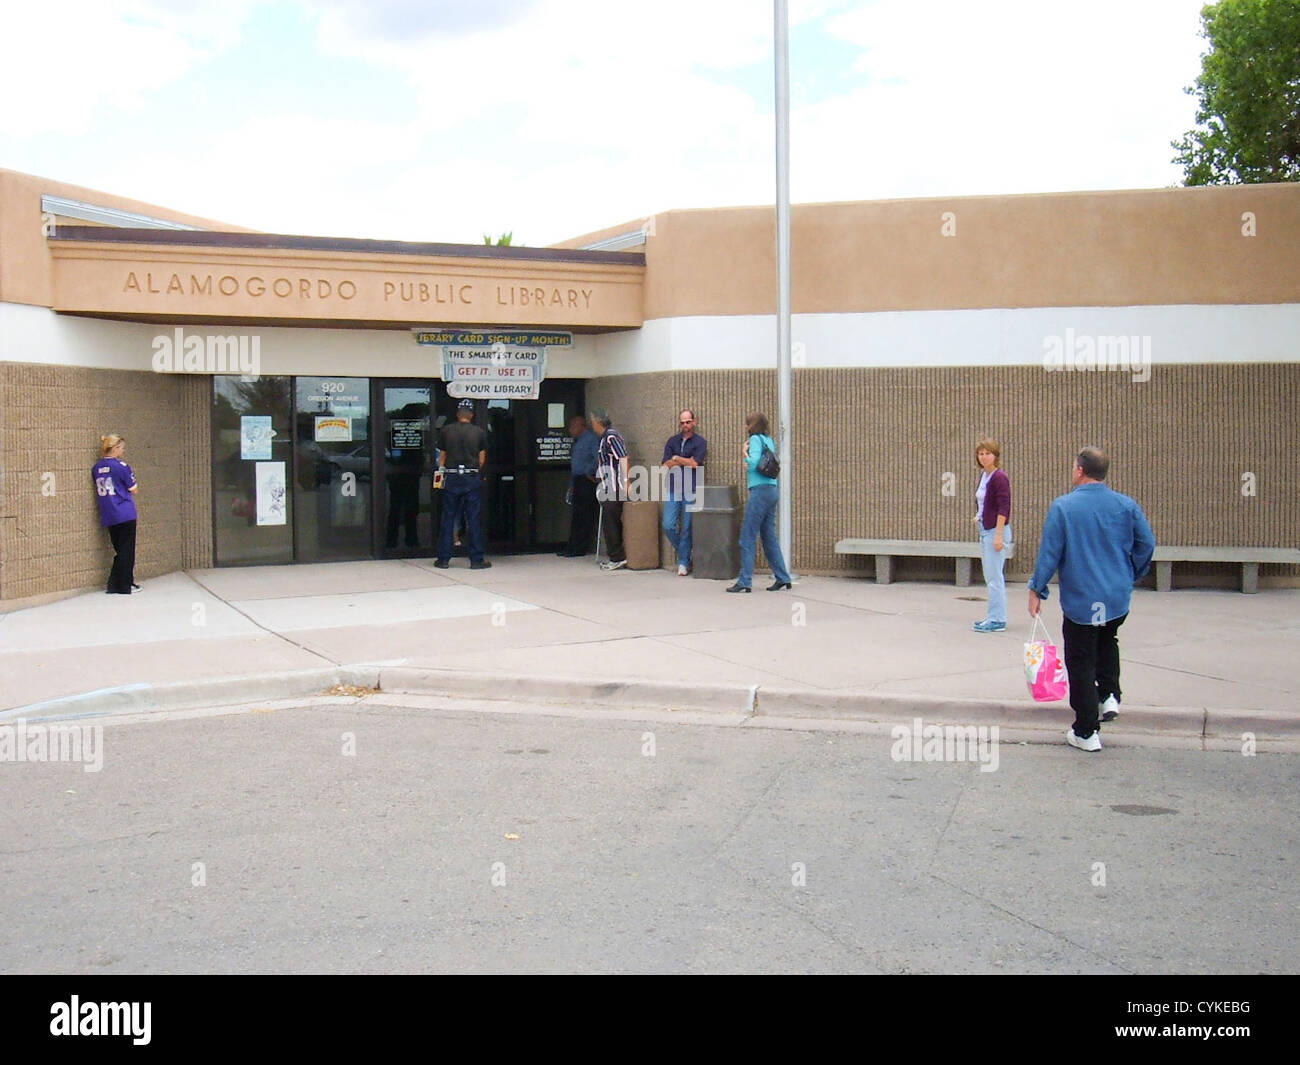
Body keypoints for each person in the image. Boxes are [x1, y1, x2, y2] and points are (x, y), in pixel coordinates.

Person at [1027, 446, 1156, 752]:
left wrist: (1037, 589)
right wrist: (1131, 573)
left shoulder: (1063, 507)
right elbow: (1147, 543)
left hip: (1083, 600)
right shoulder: (1126, 505)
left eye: (1073, 466)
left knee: (1081, 660)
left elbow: (1050, 553)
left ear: (1080, 470)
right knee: (1107, 639)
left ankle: (1086, 731)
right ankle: (1109, 694)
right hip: (1114, 597)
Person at [727, 412, 793, 593]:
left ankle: (744, 581)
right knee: (769, 537)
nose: (745, 427)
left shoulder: (755, 440)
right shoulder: (768, 440)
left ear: (752, 425)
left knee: (747, 537)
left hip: (759, 491)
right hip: (772, 490)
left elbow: (755, 462)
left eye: (746, 424)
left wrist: (745, 455)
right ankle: (783, 577)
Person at [434, 399, 492, 570]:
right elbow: (482, 459)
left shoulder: (446, 431)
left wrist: (441, 473)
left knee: (448, 518)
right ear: (471, 415)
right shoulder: (479, 432)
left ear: (458, 414)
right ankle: (476, 559)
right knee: (473, 519)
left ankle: (443, 559)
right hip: (471, 477)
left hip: (452, 477)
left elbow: (442, 457)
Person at [972, 438, 1012, 632]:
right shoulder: (984, 476)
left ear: (995, 455)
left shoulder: (999, 477)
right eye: (981, 454)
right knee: (990, 575)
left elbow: (1004, 507)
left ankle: (997, 619)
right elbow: (985, 502)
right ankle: (993, 616)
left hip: (995, 531)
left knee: (995, 577)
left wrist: (998, 535)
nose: (984, 457)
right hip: (985, 529)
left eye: (987, 453)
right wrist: (979, 516)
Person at [92, 434, 140, 594]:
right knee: (127, 550)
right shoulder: (121, 466)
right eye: (122, 448)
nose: (123, 451)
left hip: (109, 513)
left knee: (120, 549)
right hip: (125, 512)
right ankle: (125, 585)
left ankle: (115, 584)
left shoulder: (97, 468)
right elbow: (134, 489)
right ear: (116, 448)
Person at [661, 408, 707, 575]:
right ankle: (686, 556)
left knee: (687, 527)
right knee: (668, 525)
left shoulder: (700, 442)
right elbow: (665, 464)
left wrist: (677, 459)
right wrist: (684, 461)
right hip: (673, 487)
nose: (685, 425)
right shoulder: (672, 441)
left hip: (692, 489)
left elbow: (695, 464)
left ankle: (682, 563)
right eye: (682, 422)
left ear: (694, 422)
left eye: (688, 422)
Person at [589, 408, 628, 571]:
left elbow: (623, 457)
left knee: (611, 523)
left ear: (598, 422)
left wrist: (626, 482)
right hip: (607, 487)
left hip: (614, 487)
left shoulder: (611, 436)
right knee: (610, 522)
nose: (592, 426)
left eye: (593, 422)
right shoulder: (604, 438)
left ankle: (617, 557)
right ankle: (617, 555)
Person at [558, 414, 599, 557]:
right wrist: (571, 484)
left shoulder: (591, 439)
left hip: (587, 481)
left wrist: (589, 472)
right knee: (576, 516)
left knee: (585, 515)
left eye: (572, 427)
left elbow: (598, 458)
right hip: (577, 480)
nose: (570, 430)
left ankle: (579, 548)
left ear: (581, 426)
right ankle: (571, 546)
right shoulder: (578, 442)